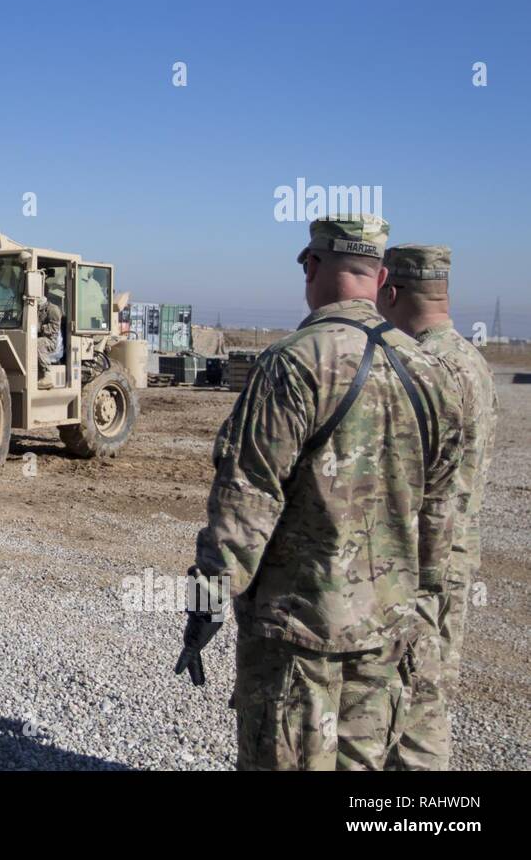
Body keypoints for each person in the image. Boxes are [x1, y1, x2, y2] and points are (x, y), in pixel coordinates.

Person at [175, 214, 462, 770]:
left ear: (311, 266)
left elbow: (245, 504)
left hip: (297, 644)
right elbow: (439, 514)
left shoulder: (293, 364)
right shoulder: (431, 371)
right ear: (381, 280)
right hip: (385, 636)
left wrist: (203, 611)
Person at [378, 245, 498, 770]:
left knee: (417, 709)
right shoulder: (472, 360)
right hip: (453, 557)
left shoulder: (429, 367)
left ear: (392, 292)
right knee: (426, 691)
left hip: (426, 565)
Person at [36, 270, 63, 389]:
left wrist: (40, 327)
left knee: (38, 343)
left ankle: (47, 375)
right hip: (39, 336)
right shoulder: (35, 308)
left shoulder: (53, 310)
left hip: (51, 342)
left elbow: (54, 329)